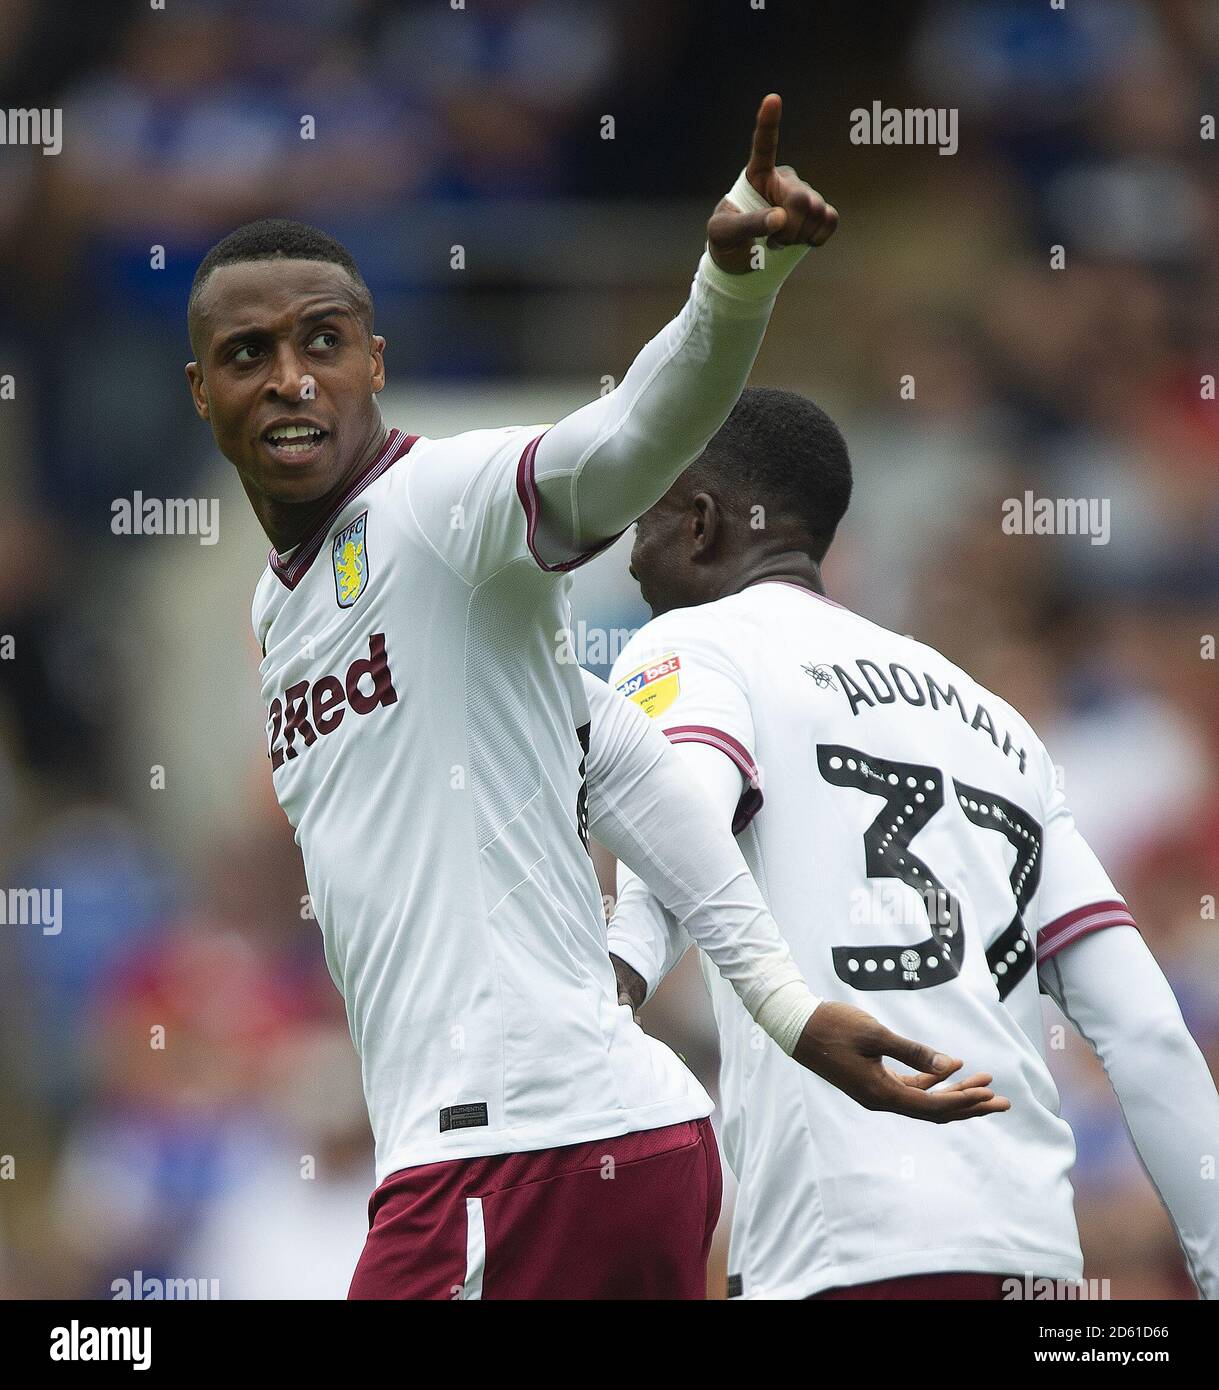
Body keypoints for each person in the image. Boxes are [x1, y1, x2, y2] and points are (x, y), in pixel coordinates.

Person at [185, 98, 998, 1300]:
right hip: (574, 1141)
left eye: (324, 341)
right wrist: (780, 1003)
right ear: (201, 388)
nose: (292, 378)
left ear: (376, 363)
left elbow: (623, 445)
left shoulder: (436, 508)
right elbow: (614, 750)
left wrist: (731, 290)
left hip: (518, 1155)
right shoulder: (280, 608)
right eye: (250, 355)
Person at [608, 385, 1219, 1301]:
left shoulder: (698, 645)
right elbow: (1146, 1033)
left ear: (698, 521)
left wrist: (614, 971)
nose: (629, 550)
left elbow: (675, 823)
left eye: (645, 515)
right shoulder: (996, 721)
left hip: (851, 1250)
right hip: (1040, 1269)